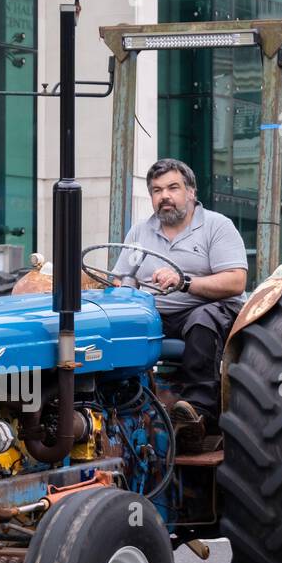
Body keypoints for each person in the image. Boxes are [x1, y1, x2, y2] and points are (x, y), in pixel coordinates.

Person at [113, 158, 248, 451]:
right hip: (158, 312)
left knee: (201, 319)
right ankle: (122, 407)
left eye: (173, 188)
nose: (165, 196)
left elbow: (236, 281)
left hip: (213, 309)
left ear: (190, 192)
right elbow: (125, 280)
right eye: (157, 190)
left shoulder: (216, 226)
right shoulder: (140, 232)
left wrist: (184, 282)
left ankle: (196, 414)